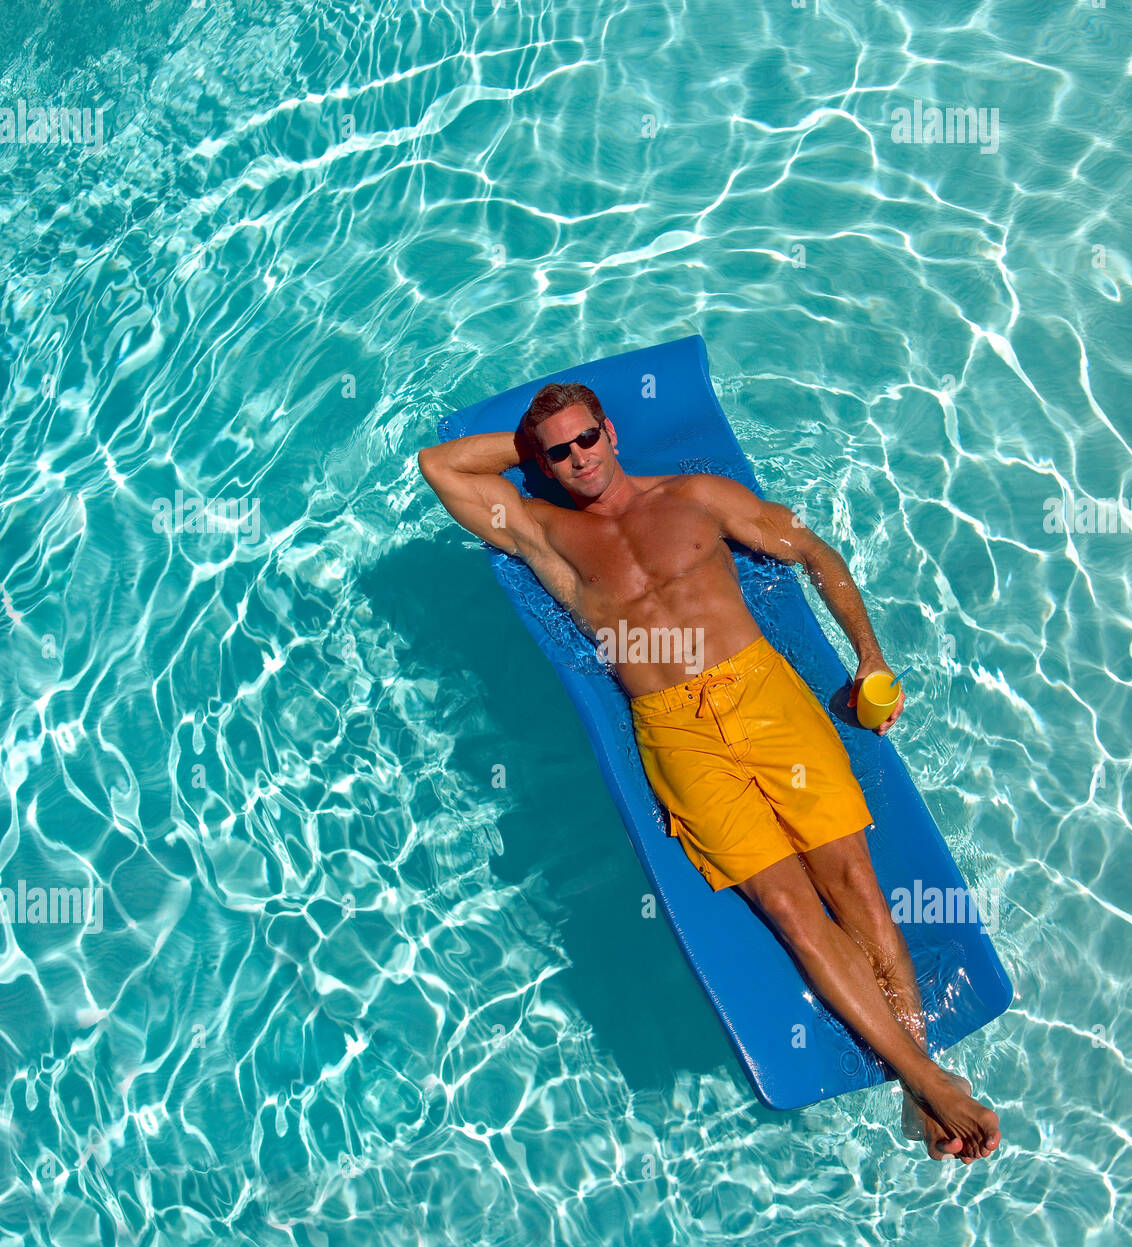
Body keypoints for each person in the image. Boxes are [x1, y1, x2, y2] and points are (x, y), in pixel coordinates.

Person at [418, 381, 999, 1161]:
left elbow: (814, 552)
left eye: (587, 438)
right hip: (672, 728)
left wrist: (869, 657)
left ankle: (920, 1075)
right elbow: (440, 466)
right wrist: (533, 452)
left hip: (763, 697)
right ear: (541, 463)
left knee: (855, 886)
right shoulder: (540, 531)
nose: (578, 458)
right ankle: (924, 1082)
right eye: (558, 451)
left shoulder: (697, 495)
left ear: (612, 429)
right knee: (790, 910)